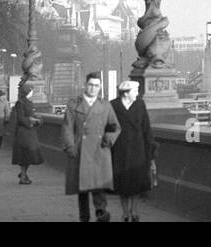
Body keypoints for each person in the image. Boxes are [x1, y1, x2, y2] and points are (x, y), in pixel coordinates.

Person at [61, 73, 118, 221]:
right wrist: (70, 146)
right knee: (83, 189)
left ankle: (101, 212)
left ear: (100, 87)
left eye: (96, 86)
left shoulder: (106, 105)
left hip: (99, 150)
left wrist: (109, 139)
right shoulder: (74, 104)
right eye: (91, 85)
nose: (93, 88)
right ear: (85, 85)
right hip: (80, 150)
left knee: (99, 185)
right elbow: (67, 127)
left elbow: (114, 127)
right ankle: (84, 217)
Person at [109, 80, 156, 222]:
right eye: (135, 91)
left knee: (136, 182)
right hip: (119, 148)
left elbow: (146, 128)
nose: (137, 94)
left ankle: (134, 211)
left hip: (138, 149)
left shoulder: (140, 105)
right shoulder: (113, 105)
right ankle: (125, 212)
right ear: (127, 92)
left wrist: (151, 149)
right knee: (122, 183)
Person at [11, 81, 44, 184]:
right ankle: (23, 176)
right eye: (31, 91)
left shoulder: (29, 102)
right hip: (24, 133)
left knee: (28, 155)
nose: (32, 93)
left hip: (30, 132)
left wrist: (37, 120)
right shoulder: (20, 103)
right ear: (27, 91)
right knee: (26, 155)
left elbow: (31, 115)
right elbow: (20, 118)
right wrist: (31, 121)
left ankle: (23, 173)